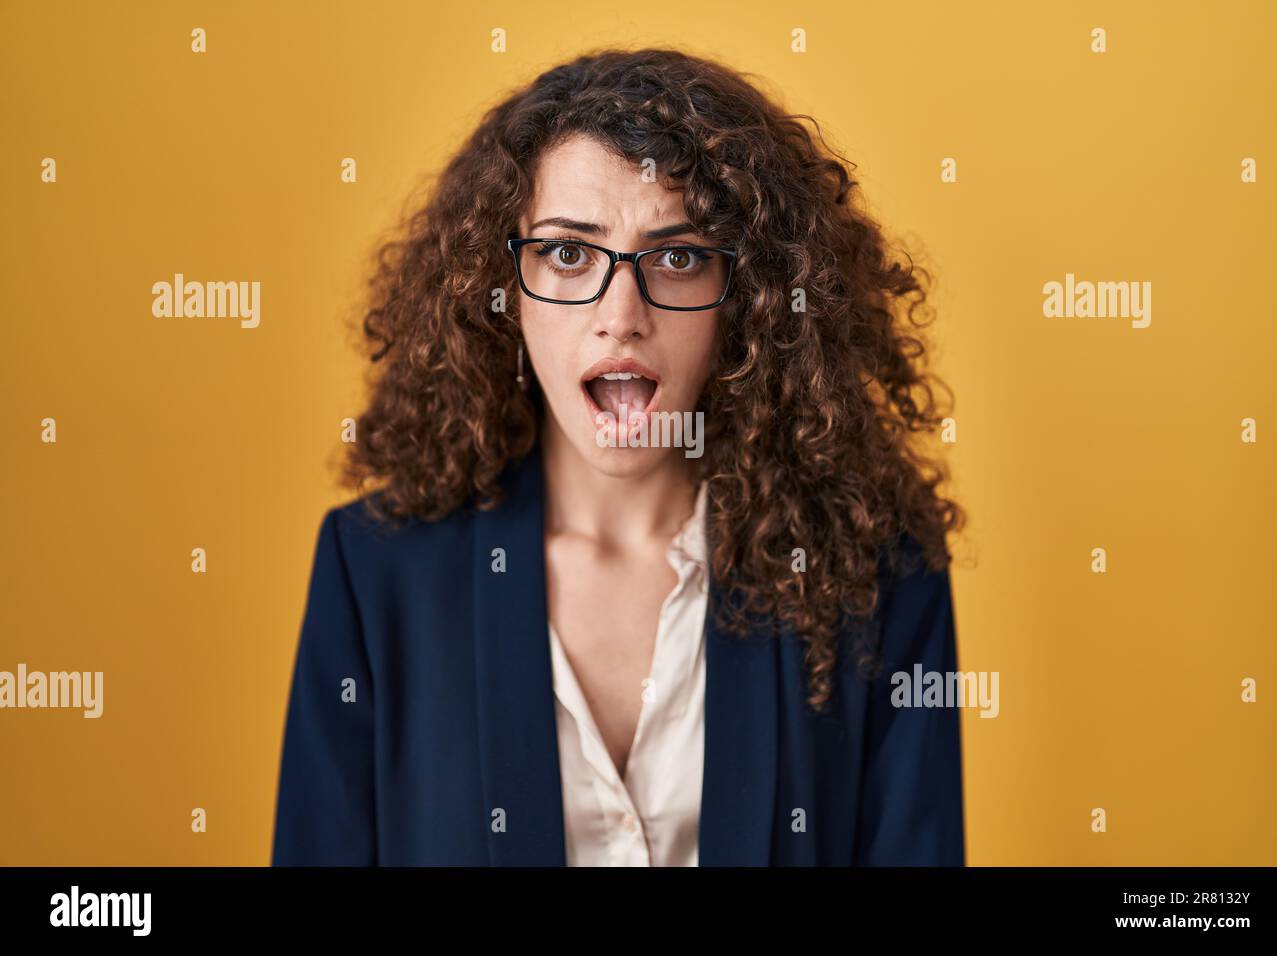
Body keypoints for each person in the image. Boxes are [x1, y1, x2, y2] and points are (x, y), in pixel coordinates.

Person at [272, 46, 966, 866]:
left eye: (677, 256)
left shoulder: (875, 573)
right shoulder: (376, 575)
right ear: (499, 296)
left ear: (747, 304)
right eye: (569, 253)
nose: (621, 314)